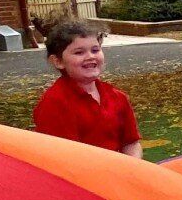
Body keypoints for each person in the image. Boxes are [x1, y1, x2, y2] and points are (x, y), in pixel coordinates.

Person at [32, 19, 143, 157]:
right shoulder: (55, 103)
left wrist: (131, 167)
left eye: (95, 50)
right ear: (58, 61)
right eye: (79, 52)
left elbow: (131, 143)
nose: (90, 56)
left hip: (118, 169)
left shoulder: (118, 97)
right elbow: (61, 157)